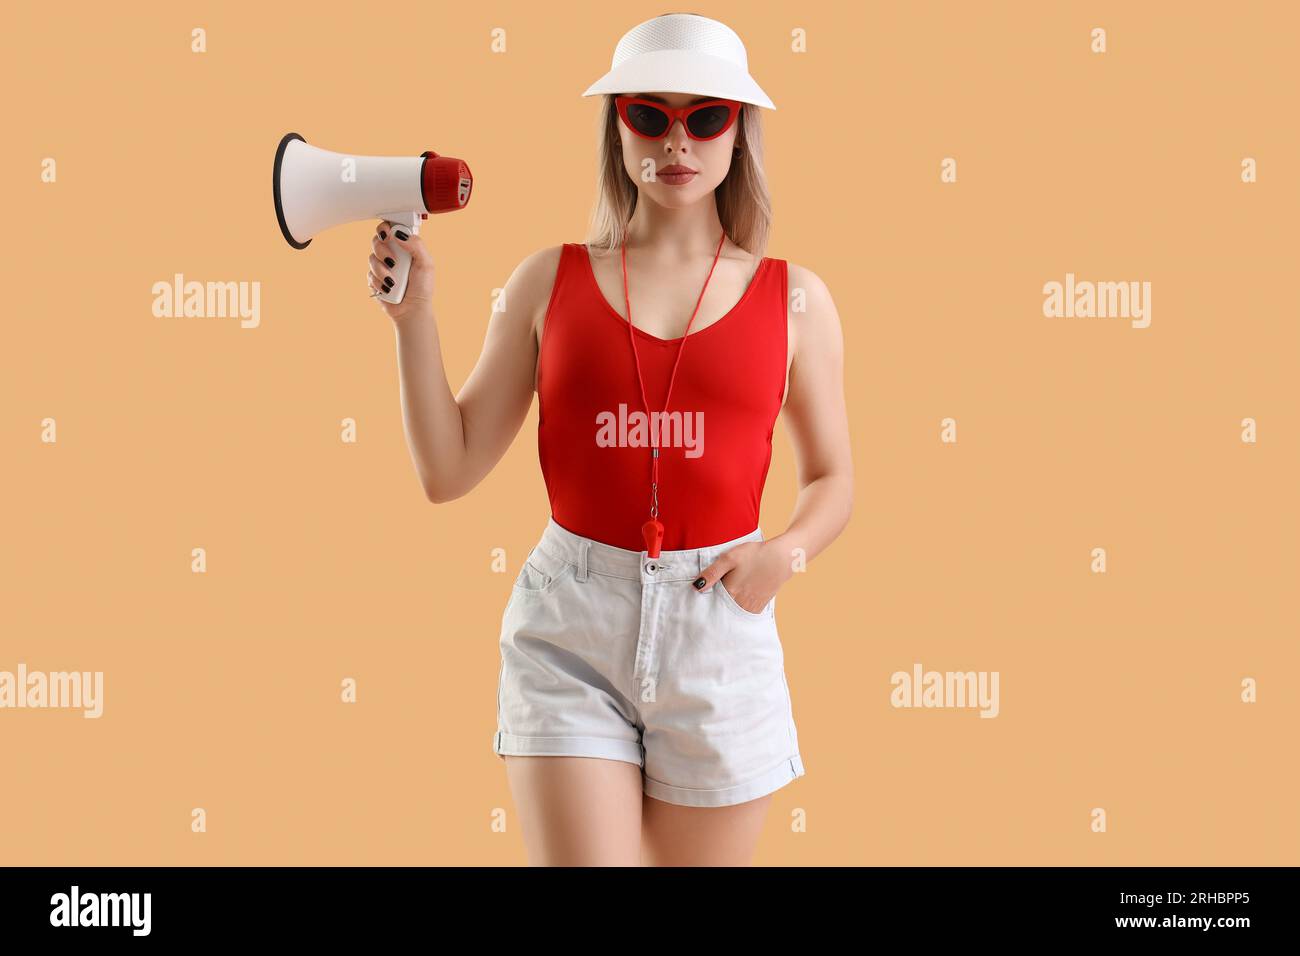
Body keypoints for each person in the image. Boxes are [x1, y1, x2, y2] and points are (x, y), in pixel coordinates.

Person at [366, 13, 852, 865]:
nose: (676, 140)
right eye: (647, 115)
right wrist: (414, 320)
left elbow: (833, 478)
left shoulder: (797, 300)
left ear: (739, 134)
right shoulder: (544, 282)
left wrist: (784, 555)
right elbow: (448, 470)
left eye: (705, 118)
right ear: (616, 127)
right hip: (571, 625)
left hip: (719, 629)